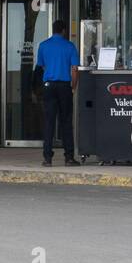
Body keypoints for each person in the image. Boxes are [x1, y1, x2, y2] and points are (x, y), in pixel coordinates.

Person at [36, 20, 81, 167]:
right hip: (64, 86)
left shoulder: (43, 45)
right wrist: (73, 87)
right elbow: (74, 69)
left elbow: (41, 66)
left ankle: (47, 158)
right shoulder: (69, 46)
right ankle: (68, 157)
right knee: (66, 122)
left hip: (49, 85)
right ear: (63, 30)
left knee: (48, 122)